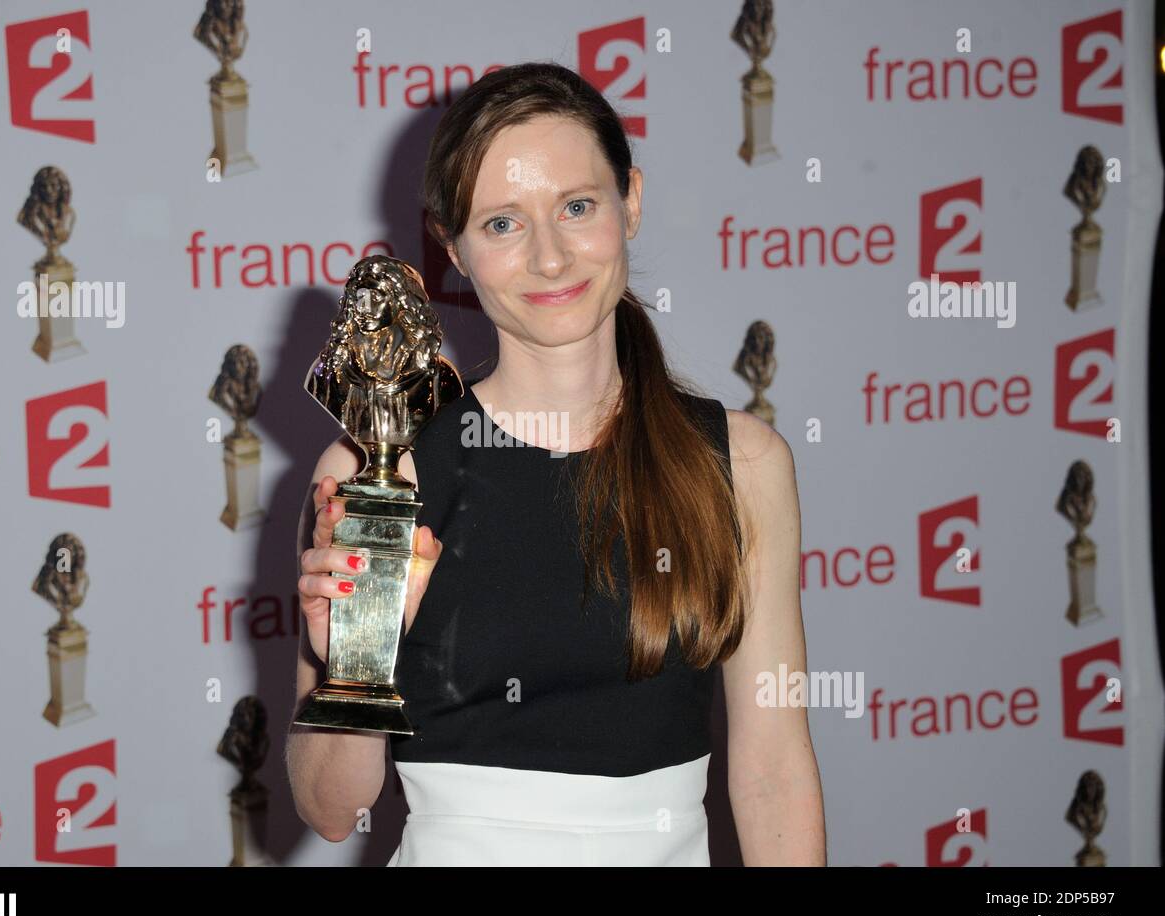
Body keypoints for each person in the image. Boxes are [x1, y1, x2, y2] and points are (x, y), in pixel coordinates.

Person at [286, 61, 825, 866]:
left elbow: (774, 771)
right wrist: (357, 662)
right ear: (454, 249)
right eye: (502, 223)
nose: (550, 258)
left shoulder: (742, 463)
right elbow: (332, 810)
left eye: (577, 207)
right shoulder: (379, 471)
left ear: (630, 202)